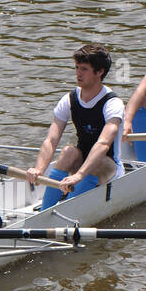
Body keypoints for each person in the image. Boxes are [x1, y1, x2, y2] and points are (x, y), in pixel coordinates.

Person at [25, 43, 125, 211]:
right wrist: (39, 169)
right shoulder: (69, 99)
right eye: (77, 67)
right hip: (82, 164)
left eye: (84, 69)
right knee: (68, 152)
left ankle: (65, 207)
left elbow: (103, 144)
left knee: (98, 160)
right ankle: (45, 210)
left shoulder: (112, 104)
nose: (78, 73)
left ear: (99, 72)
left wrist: (78, 175)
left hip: (108, 168)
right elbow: (51, 139)